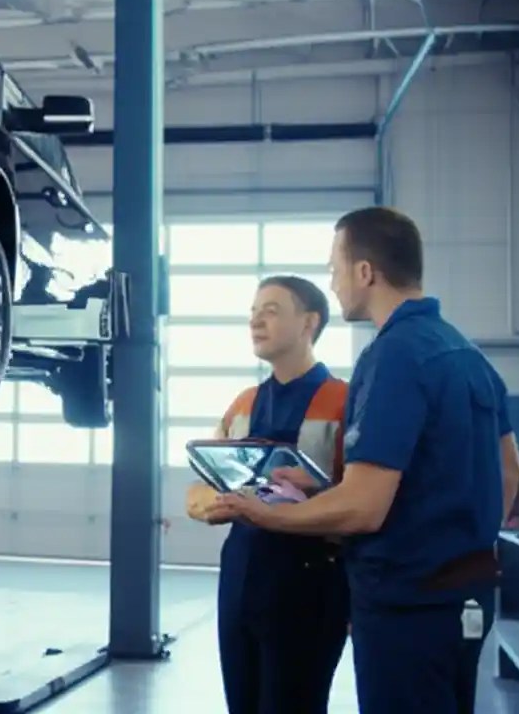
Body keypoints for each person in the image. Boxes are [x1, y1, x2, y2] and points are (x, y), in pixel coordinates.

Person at [206, 207, 519, 714]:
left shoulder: (393, 356)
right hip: (461, 601)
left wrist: (266, 512)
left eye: (335, 268)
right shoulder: (466, 354)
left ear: (365, 272)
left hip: (403, 604)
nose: (332, 283)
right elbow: (510, 472)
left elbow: (365, 507)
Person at [185, 275, 350, 714]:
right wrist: (213, 506)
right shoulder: (243, 403)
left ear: (309, 323)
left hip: (310, 578)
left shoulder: (343, 402)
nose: (256, 321)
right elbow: (200, 486)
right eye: (253, 312)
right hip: (241, 573)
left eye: (271, 311)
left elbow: (364, 498)